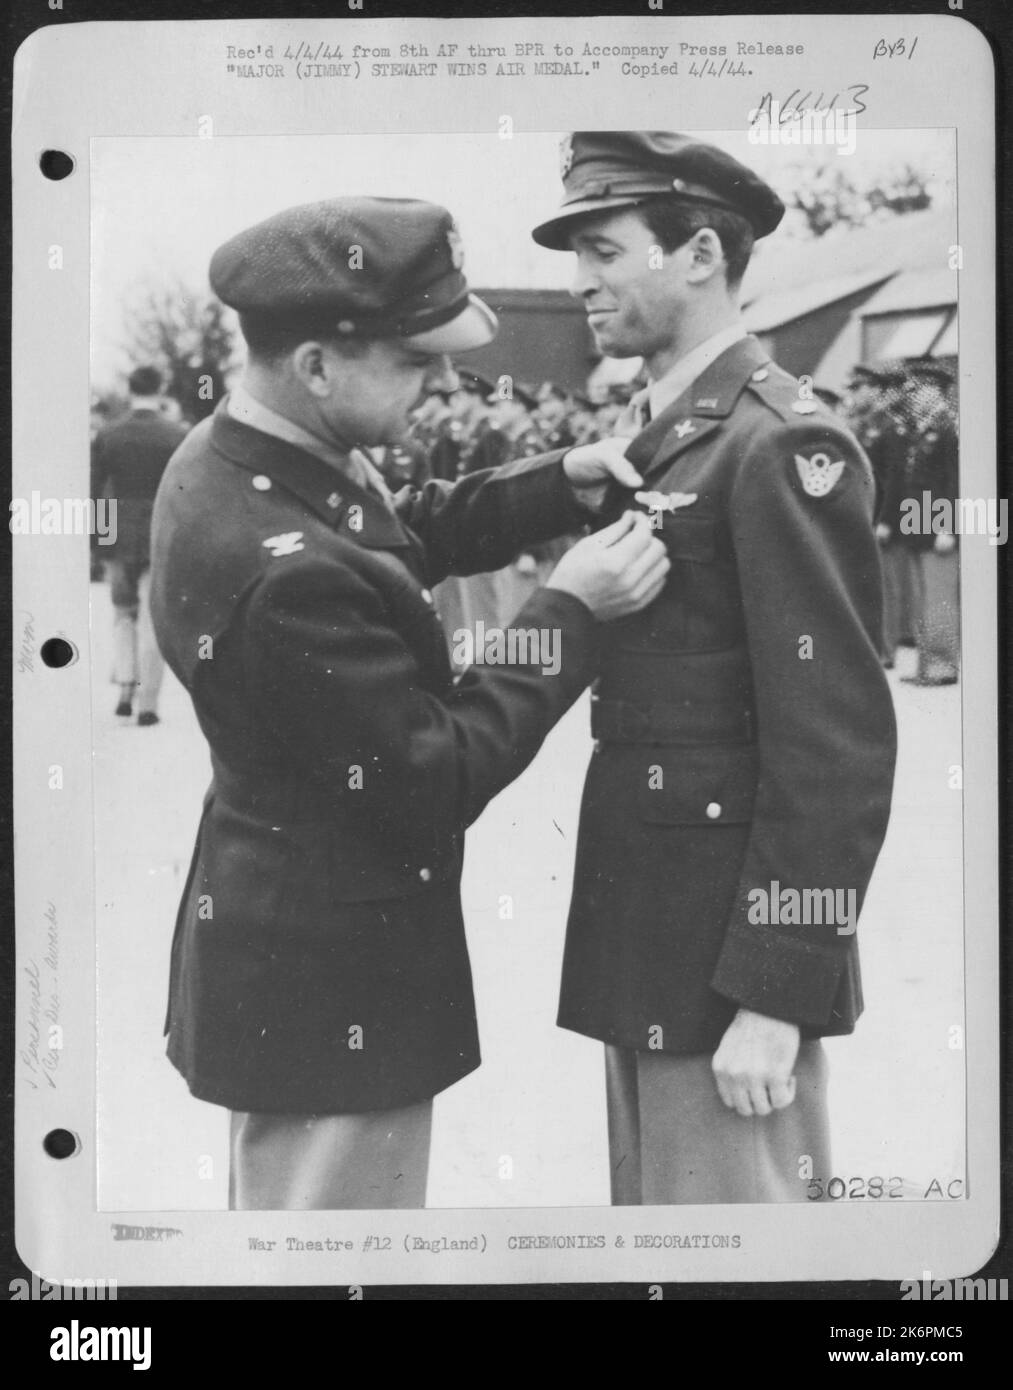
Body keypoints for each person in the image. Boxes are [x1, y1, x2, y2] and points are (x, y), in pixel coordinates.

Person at [148, 195, 669, 1211]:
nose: (442, 380)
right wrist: (568, 613)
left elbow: (394, 535)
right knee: (335, 1262)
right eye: (415, 360)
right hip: (328, 988)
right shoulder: (280, 571)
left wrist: (555, 483)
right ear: (315, 365)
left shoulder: (252, 457)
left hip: (291, 950)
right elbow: (434, 769)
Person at [531, 131, 897, 1204]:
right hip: (646, 941)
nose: (580, 282)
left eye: (603, 249)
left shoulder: (777, 441)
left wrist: (776, 996)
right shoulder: (657, 428)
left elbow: (832, 740)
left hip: (725, 974)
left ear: (696, 254)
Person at [91, 365, 188, 724]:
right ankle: (148, 702)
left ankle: (125, 689)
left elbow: (96, 491)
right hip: (159, 533)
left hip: (117, 532)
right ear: (160, 389)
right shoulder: (175, 435)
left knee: (122, 612)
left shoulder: (108, 435)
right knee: (151, 617)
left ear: (130, 390)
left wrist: (98, 539)